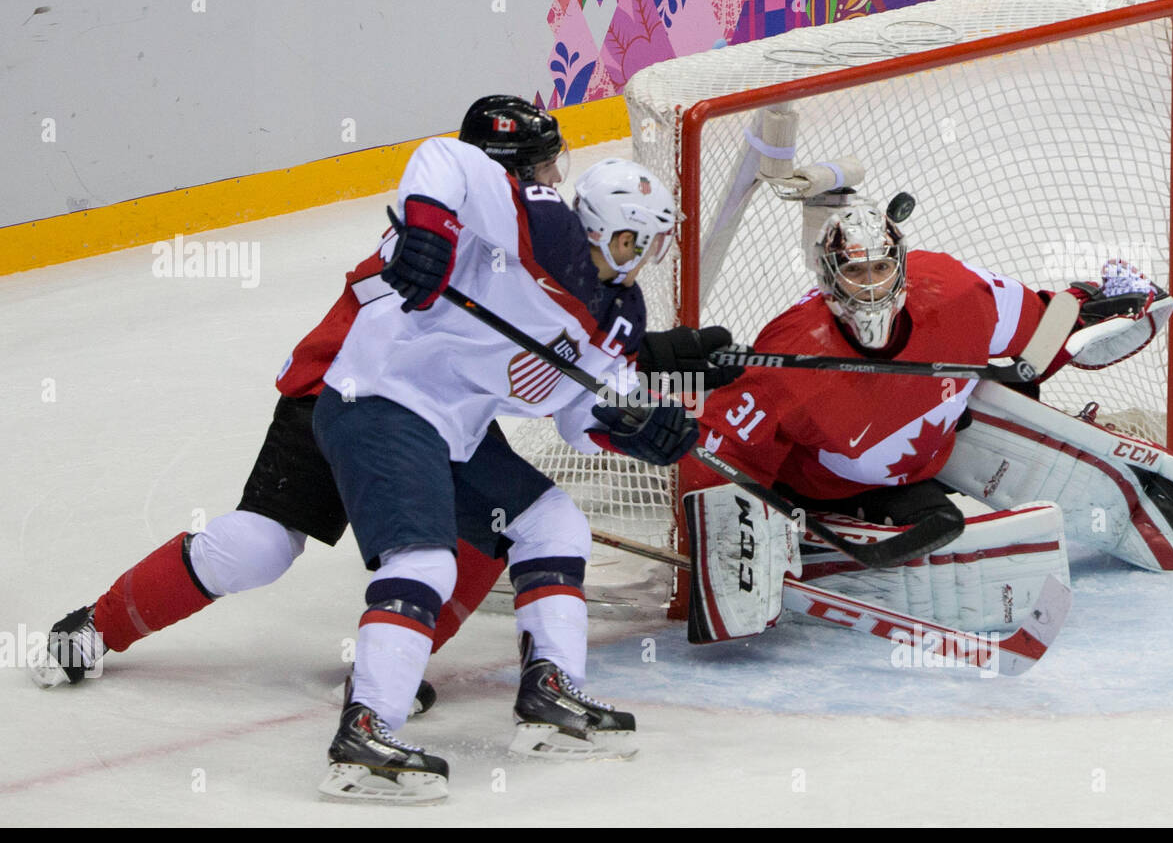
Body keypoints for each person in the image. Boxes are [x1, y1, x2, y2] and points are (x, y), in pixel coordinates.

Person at [30, 98, 734, 774]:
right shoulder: (480, 225)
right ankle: (100, 626)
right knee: (262, 546)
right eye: (542, 166)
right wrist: (636, 355)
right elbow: (514, 301)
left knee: (501, 530)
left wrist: (649, 373)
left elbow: (552, 348)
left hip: (436, 405)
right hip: (345, 388)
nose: (555, 180)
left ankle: (396, 674)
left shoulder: (510, 239)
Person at [682, 187, 1173, 645]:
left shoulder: (955, 292)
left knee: (947, 493)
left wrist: (1089, 306)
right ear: (828, 276)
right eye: (854, 271)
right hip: (827, 490)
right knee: (941, 529)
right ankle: (814, 552)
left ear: (902, 263)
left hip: (929, 448)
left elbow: (1038, 331)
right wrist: (733, 547)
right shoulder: (792, 352)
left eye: (881, 267)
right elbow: (723, 448)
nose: (870, 284)